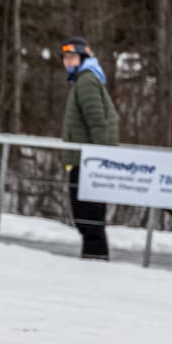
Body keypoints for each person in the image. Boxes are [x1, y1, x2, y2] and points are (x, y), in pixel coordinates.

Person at [60, 36, 119, 260]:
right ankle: (94, 258)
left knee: (88, 218)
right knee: (87, 218)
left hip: (87, 162)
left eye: (72, 57)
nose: (68, 62)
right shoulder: (85, 80)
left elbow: (97, 121)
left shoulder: (85, 81)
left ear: (83, 58)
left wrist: (99, 158)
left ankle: (95, 261)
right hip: (84, 160)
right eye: (65, 57)